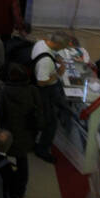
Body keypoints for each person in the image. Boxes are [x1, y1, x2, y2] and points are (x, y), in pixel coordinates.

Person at [0, 64, 44, 198]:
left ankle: (7, 187)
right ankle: (20, 190)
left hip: (9, 134)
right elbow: (40, 111)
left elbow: (0, 113)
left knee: (6, 162)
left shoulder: (5, 91)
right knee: (22, 162)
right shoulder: (32, 91)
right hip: (26, 134)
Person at [31, 31, 72, 162]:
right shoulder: (46, 61)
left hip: (45, 88)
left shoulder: (41, 43)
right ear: (58, 44)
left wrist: (57, 57)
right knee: (50, 122)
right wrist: (58, 73)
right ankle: (42, 149)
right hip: (44, 91)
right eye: (63, 47)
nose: (63, 49)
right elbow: (41, 82)